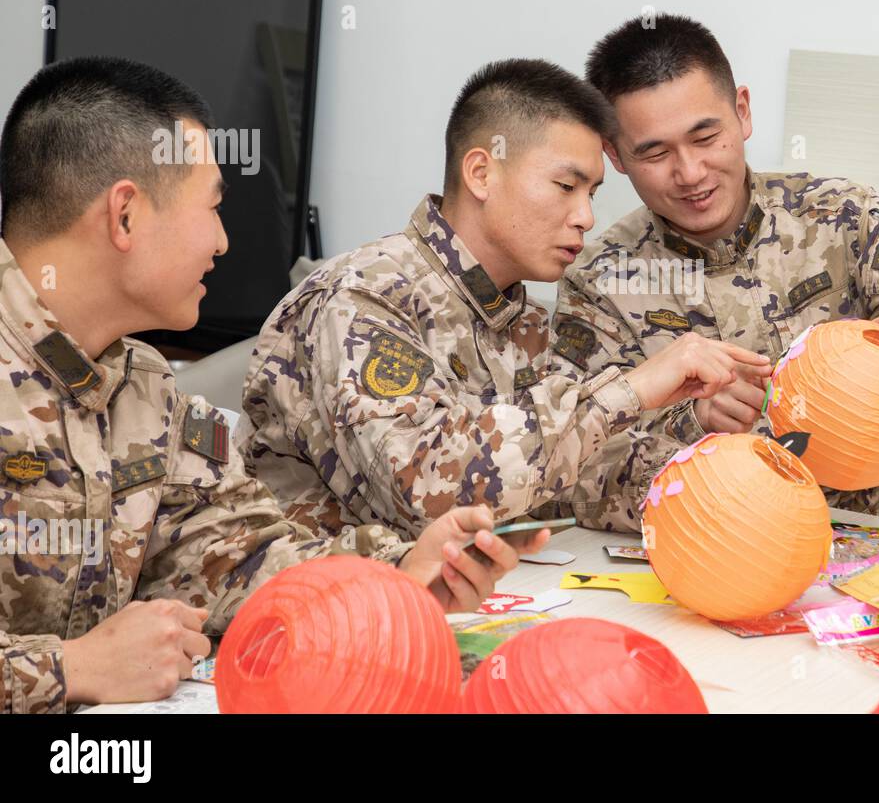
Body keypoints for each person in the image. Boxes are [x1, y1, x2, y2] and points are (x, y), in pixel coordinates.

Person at [0, 57, 537, 713]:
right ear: (126, 217)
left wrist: (402, 573)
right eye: (213, 207)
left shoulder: (140, 385)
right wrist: (73, 668)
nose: (223, 242)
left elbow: (236, 557)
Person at [238, 58, 767, 539]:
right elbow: (425, 489)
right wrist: (632, 389)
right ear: (481, 173)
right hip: (325, 615)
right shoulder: (361, 299)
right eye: (566, 186)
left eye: (593, 194)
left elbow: (574, 476)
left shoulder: (523, 321)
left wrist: (718, 482)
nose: (586, 217)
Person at [551, 14, 879, 523]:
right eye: (654, 152)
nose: (690, 173)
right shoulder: (600, 284)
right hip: (715, 549)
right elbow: (577, 479)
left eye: (705, 137)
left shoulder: (839, 217)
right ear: (615, 155)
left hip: (866, 544)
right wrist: (694, 426)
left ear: (742, 113)